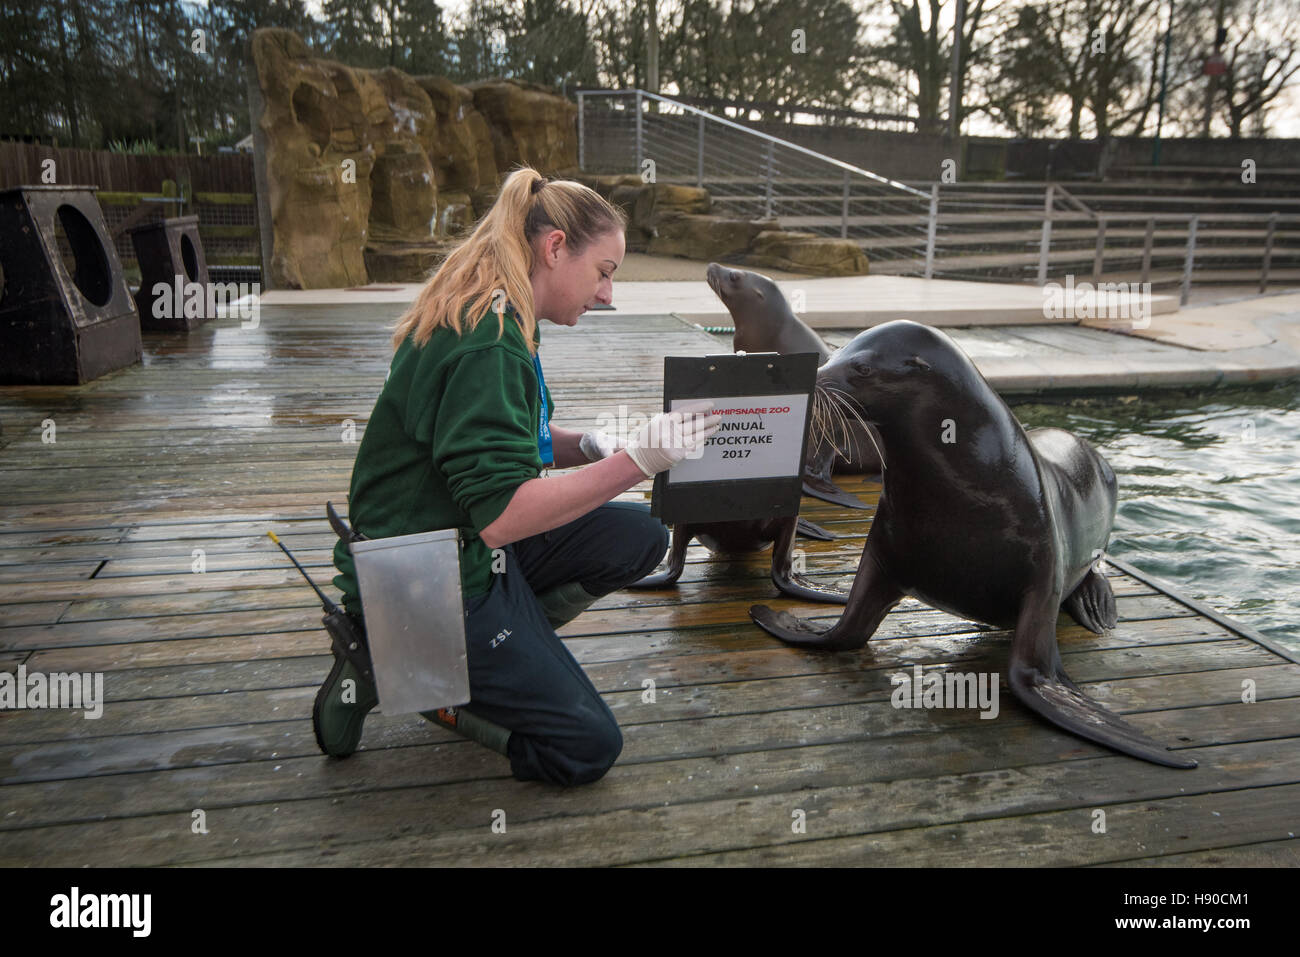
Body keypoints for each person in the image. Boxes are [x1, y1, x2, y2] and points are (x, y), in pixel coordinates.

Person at [315, 165, 721, 787]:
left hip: (463, 546)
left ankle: (490, 648)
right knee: (586, 747)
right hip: (427, 581)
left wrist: (588, 445)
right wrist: (635, 463)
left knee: (642, 536)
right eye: (604, 272)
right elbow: (505, 513)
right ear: (555, 247)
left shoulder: (501, 311)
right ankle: (398, 665)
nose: (608, 294)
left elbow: (510, 440)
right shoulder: (490, 340)